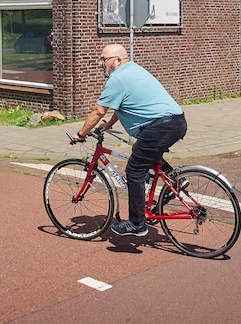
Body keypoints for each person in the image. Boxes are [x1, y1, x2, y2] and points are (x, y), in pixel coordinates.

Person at [71, 43, 186, 237]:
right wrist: (109, 124)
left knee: (134, 170)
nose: (100, 63)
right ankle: (176, 180)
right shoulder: (134, 70)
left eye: (103, 59)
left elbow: (98, 111)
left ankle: (137, 223)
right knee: (147, 155)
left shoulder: (117, 78)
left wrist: (81, 134)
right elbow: (123, 103)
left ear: (117, 60)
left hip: (159, 126)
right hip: (176, 122)